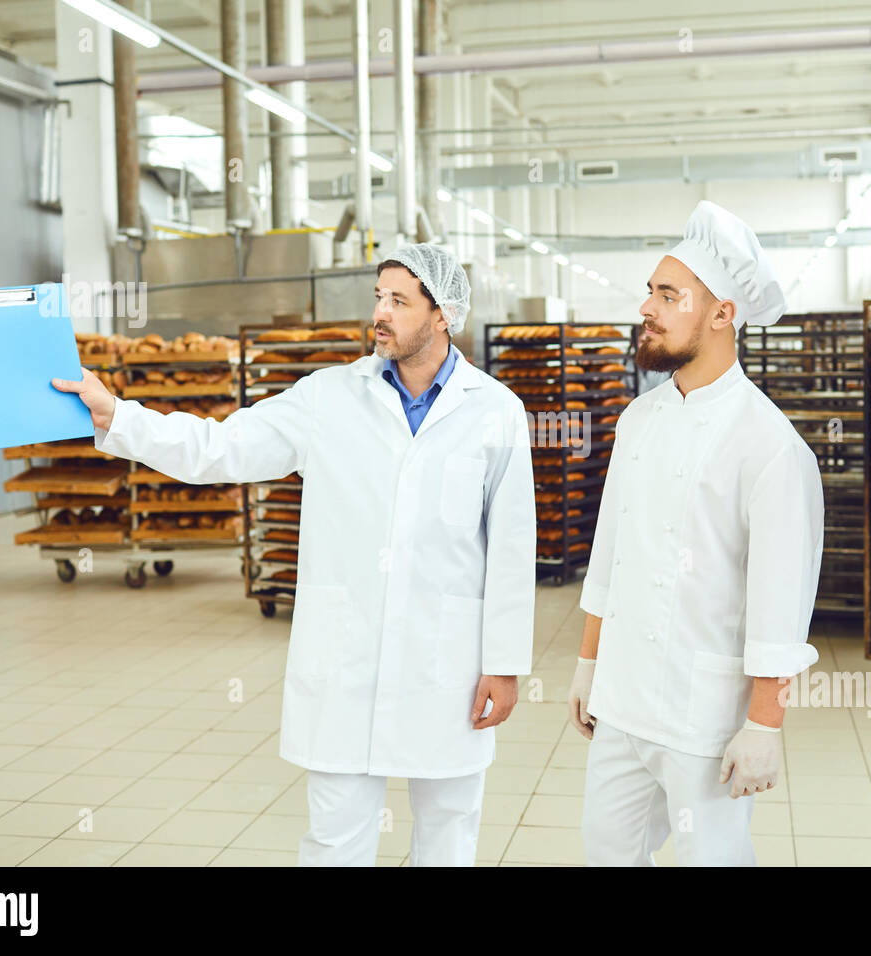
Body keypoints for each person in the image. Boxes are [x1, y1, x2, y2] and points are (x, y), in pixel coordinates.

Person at [53, 244, 536, 867]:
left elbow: (513, 544)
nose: (380, 314)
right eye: (378, 298)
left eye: (399, 301)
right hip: (346, 662)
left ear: (442, 316)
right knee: (336, 841)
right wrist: (120, 416)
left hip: (446, 666)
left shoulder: (495, 410)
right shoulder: (329, 397)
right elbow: (220, 447)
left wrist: (504, 663)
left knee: (448, 834)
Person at [566, 200, 824, 866]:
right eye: (649, 291)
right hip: (622, 700)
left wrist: (764, 723)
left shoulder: (769, 446)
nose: (646, 308)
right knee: (607, 854)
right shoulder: (637, 420)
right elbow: (611, 556)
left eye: (668, 295)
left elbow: (779, 601)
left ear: (721, 314)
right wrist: (589, 664)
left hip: (701, 715)